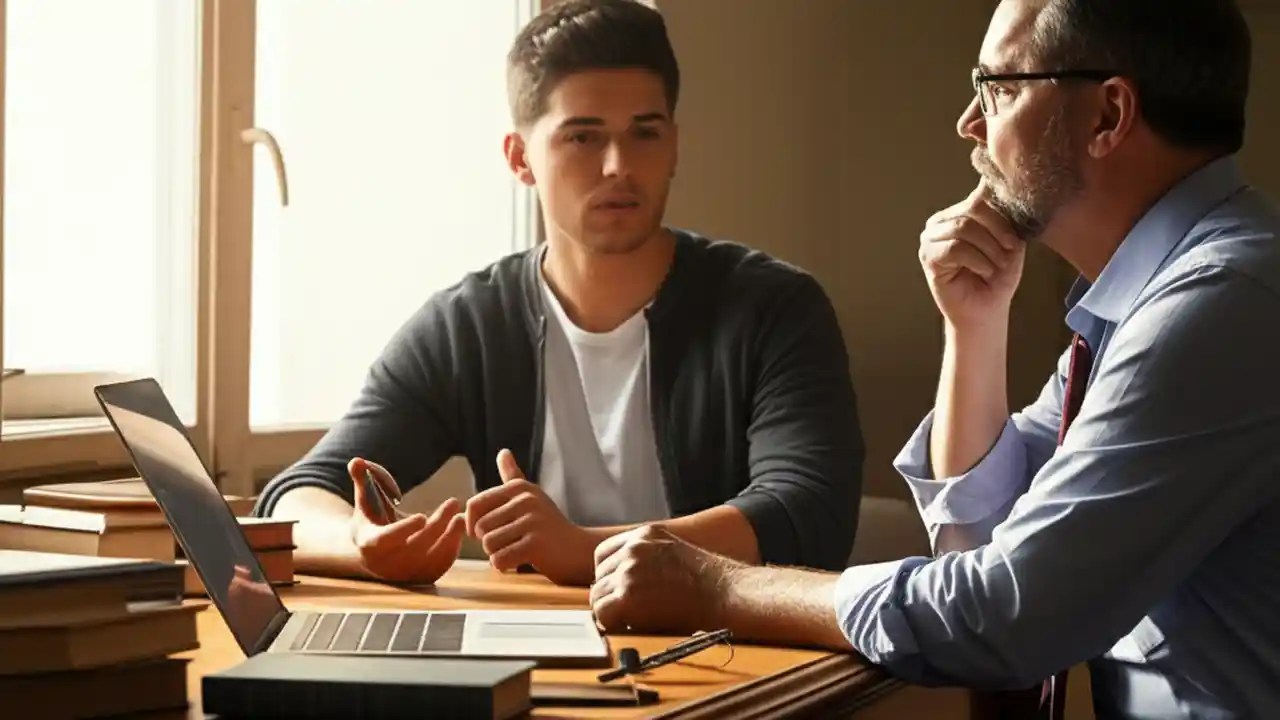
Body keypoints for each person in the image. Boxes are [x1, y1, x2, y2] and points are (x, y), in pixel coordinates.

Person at [590, 1, 1280, 717]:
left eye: (1000, 88)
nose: (969, 123)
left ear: (1107, 116)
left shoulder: (1220, 308)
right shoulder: (1150, 304)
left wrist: (719, 588)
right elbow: (977, 551)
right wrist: (973, 327)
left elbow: (1004, 615)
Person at [253, 0, 863, 588]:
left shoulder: (775, 308)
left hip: (735, 647)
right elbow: (296, 498)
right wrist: (361, 546)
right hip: (537, 651)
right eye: (583, 137)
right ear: (521, 158)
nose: (618, 165)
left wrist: (585, 549)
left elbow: (808, 514)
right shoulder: (469, 326)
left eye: (645, 134)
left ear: (674, 145)